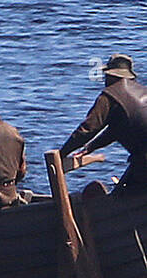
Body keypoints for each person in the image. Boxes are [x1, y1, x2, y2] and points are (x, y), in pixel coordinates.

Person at [61, 54, 147, 193]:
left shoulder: (109, 96)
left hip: (143, 161)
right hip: (142, 158)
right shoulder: (143, 92)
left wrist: (61, 154)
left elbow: (87, 129)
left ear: (111, 76)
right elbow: (117, 129)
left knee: (125, 198)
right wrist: (90, 148)